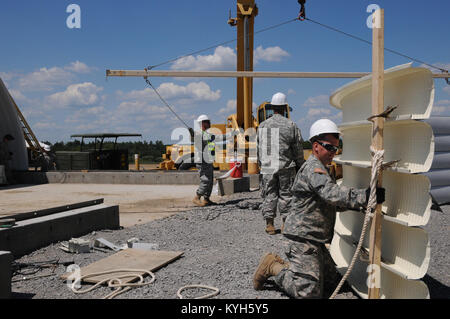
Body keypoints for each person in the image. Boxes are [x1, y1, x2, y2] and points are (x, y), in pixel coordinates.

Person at [253, 118, 385, 298]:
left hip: (315, 241)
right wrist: (366, 196)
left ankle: (299, 270)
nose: (334, 152)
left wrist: (358, 206)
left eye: (336, 148)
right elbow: (333, 195)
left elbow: (330, 203)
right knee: (309, 294)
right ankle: (274, 267)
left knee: (333, 284)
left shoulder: (322, 168)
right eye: (329, 147)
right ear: (316, 147)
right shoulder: (314, 169)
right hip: (301, 240)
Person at [257, 92, 304, 235]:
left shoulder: (263, 125)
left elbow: (259, 147)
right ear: (285, 108)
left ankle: (269, 224)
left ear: (272, 108)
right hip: (286, 166)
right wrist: (300, 164)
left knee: (269, 194)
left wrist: (261, 164)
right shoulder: (291, 125)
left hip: (268, 166)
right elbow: (297, 148)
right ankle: (285, 224)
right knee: (286, 195)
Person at [189, 114, 234, 207]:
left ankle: (206, 199)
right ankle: (197, 197)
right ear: (202, 123)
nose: (210, 123)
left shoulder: (206, 134)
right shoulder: (199, 134)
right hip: (202, 161)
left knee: (209, 181)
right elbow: (195, 138)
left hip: (208, 160)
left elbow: (216, 138)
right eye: (208, 122)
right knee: (205, 180)